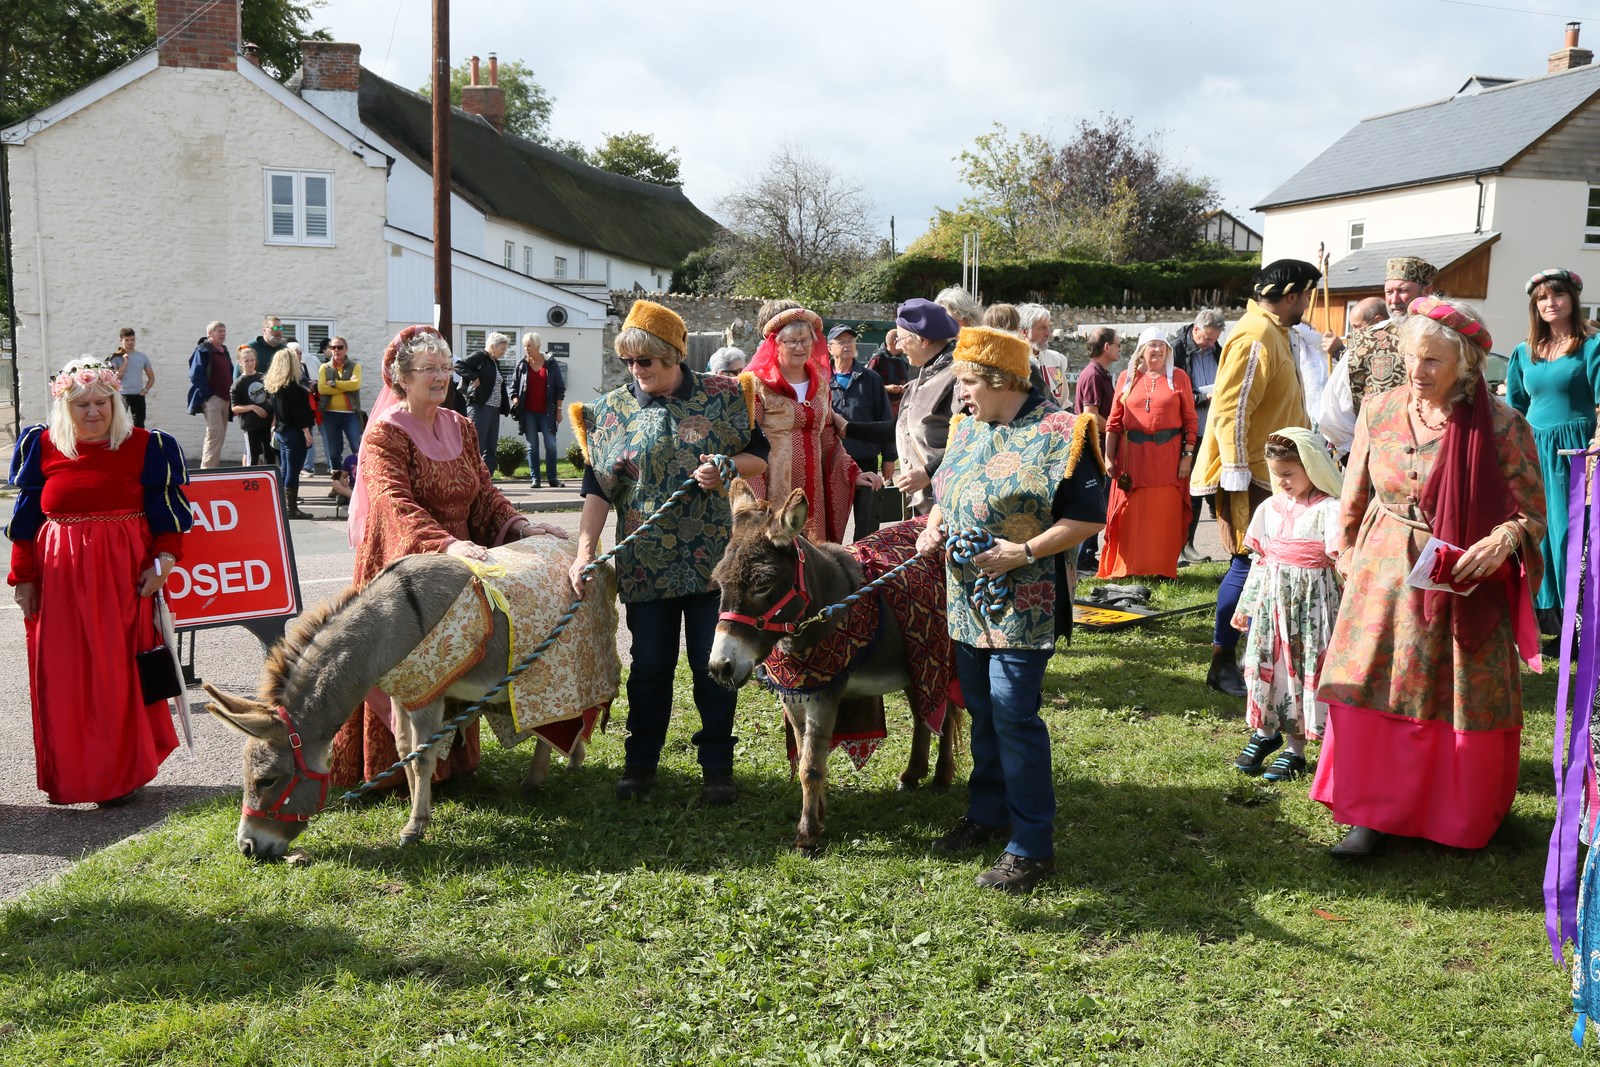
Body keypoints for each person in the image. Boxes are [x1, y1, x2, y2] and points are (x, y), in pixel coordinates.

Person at [1312, 298, 1544, 857]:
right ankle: (1369, 814)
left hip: (1464, 577)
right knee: (1375, 679)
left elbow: (1532, 513)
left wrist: (1502, 540)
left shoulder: (1505, 425)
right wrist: (1344, 547)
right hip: (1386, 569)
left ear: (1465, 363)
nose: (1418, 371)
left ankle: (1455, 815)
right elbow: (1356, 488)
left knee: (1451, 690)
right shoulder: (1379, 408)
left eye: (1434, 361)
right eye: (1412, 356)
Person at [335, 326, 567, 791]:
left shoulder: (460, 424)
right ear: (402, 377)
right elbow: (395, 504)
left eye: (445, 367)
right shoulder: (383, 435)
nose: (441, 376)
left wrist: (521, 525)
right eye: (429, 369)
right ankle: (396, 771)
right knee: (409, 665)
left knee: (461, 656)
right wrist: (446, 545)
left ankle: (450, 761)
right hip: (404, 565)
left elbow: (483, 495)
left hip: (461, 566)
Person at [915, 326, 1106, 892]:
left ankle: (1031, 847)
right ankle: (987, 811)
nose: (961, 394)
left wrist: (1022, 551)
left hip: (1026, 602)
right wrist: (933, 525)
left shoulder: (1064, 433)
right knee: (980, 709)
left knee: (1014, 715)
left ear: (1001, 380)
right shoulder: (968, 427)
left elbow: (1090, 518)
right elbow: (947, 492)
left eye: (968, 382)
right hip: (966, 598)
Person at [568, 300, 769, 805]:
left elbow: (758, 455)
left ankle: (718, 768)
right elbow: (597, 487)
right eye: (630, 363)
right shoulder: (611, 410)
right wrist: (584, 550)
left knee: (713, 665)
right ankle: (640, 765)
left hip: (713, 564)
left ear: (675, 355)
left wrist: (726, 466)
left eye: (648, 363)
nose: (638, 372)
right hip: (646, 564)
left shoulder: (726, 396)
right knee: (651, 665)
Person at [7, 356, 192, 806]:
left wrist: (163, 561)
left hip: (122, 579)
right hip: (59, 583)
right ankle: (76, 774)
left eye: (102, 402)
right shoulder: (42, 445)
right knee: (64, 677)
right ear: (63, 408)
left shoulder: (147, 445)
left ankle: (120, 775)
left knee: (117, 675)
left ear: (116, 402)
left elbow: (168, 518)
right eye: (82, 404)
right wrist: (24, 576)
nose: (93, 412)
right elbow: (26, 518)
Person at [1191, 259, 1320, 698]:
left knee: (1261, 566)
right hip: (1250, 474)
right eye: (1305, 295)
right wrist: (1235, 473)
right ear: (1290, 295)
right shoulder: (1256, 333)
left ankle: (1251, 657)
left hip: (1272, 471)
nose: (1307, 304)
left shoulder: (1276, 332)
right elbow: (1231, 409)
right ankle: (1220, 661)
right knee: (1247, 564)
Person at [1230, 429, 1344, 782]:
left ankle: (1296, 750)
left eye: (1289, 475)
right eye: (1276, 475)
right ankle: (1266, 732)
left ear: (1312, 467)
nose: (1282, 482)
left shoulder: (1331, 510)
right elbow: (1260, 560)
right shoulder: (1270, 507)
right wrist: (1247, 604)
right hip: (1271, 604)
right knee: (1267, 666)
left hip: (1312, 609)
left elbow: (1343, 564)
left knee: (1303, 669)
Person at [1505, 268, 1600, 634]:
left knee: (1567, 533)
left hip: (1574, 450)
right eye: (1542, 298)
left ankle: (1576, 622)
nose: (1550, 303)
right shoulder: (1523, 352)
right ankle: (1544, 617)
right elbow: (1514, 408)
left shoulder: (1591, 346)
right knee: (1537, 532)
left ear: (1572, 300)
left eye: (1557, 295)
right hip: (1532, 449)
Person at [743, 309, 870, 543]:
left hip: (814, 490)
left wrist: (853, 473)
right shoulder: (758, 386)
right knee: (777, 549)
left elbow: (828, 437)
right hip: (774, 486)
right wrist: (756, 498)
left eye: (806, 341)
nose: (800, 348)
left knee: (813, 551)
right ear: (776, 344)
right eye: (792, 341)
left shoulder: (821, 385)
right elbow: (748, 442)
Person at [1099, 327, 1197, 579]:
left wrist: (1187, 456)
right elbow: (1114, 422)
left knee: (1163, 514)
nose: (1157, 350)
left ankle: (1161, 568)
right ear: (1141, 351)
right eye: (1152, 345)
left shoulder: (1179, 377)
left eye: (1161, 346)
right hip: (1132, 460)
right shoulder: (1125, 378)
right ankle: (1129, 568)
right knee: (1131, 514)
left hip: (1168, 458)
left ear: (1168, 351)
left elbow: (1190, 421)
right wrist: (1109, 457)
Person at [1317, 257, 1436, 454]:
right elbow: (1333, 413)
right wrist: (1357, 452)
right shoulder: (1365, 341)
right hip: (1378, 462)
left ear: (1427, 291)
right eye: (1389, 292)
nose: (1394, 300)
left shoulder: (1448, 338)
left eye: (1403, 290)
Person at [891, 299, 963, 516]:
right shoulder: (921, 377)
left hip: (948, 509)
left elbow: (972, 439)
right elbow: (900, 427)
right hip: (922, 510)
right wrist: (847, 427)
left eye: (901, 339)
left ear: (922, 340)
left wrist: (928, 472)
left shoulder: (958, 377)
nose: (898, 346)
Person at [827, 323, 896, 540]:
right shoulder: (820, 380)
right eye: (841, 341)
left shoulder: (871, 379)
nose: (847, 345)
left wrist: (889, 457)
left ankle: (865, 567)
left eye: (850, 340)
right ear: (830, 348)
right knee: (832, 522)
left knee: (867, 524)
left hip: (866, 459)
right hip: (832, 462)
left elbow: (885, 419)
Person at [1171, 309, 1225, 562]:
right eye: (1207, 339)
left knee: (1202, 489)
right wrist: (1204, 397)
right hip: (1184, 432)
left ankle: (1188, 544)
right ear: (1195, 330)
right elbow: (1172, 394)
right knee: (1186, 491)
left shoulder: (1218, 351)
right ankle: (1179, 546)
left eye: (1214, 339)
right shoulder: (1176, 352)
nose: (1211, 344)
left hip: (1211, 432)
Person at [1074, 327, 1121, 571]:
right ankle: (1083, 558)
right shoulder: (1093, 375)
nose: (1119, 349)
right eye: (1117, 345)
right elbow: (1090, 415)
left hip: (1098, 448)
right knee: (1094, 504)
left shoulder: (1100, 374)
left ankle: (1087, 555)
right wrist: (1118, 428)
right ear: (1106, 347)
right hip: (1094, 450)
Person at [264, 342, 316, 520]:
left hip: (282, 431)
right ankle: (291, 508)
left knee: (285, 469)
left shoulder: (275, 387)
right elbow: (299, 413)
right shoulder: (293, 388)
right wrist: (307, 432)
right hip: (294, 432)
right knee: (292, 470)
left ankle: (283, 505)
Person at [509, 331, 566, 488]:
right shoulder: (522, 365)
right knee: (532, 446)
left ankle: (552, 478)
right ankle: (536, 479)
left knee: (551, 446)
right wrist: (515, 399)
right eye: (525, 346)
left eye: (530, 346)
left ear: (538, 346)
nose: (527, 349)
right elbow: (513, 387)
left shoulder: (551, 364)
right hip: (528, 413)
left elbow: (560, 388)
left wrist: (559, 411)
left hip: (547, 412)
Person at [456, 332, 511, 473]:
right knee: (477, 445)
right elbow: (459, 365)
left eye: (505, 349)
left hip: (494, 409)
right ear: (493, 346)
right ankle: (472, 480)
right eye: (502, 348)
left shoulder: (495, 363)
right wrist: (474, 377)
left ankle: (487, 482)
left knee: (491, 447)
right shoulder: (480, 356)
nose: (504, 352)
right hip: (480, 406)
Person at [186, 320, 232, 468]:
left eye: (224, 331)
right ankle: (207, 471)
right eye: (219, 331)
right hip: (213, 399)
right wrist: (208, 395)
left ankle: (212, 469)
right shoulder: (203, 350)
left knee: (220, 435)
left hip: (225, 399)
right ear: (210, 334)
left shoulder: (224, 350)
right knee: (214, 434)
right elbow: (195, 375)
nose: (223, 334)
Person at [316, 335, 363, 473]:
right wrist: (345, 386)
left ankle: (360, 481)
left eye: (340, 347)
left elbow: (355, 385)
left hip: (350, 415)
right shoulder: (325, 368)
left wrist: (334, 384)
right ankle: (336, 484)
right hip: (330, 414)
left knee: (357, 447)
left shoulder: (355, 366)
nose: (336, 350)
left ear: (346, 349)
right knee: (334, 452)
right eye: (333, 347)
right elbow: (322, 389)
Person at [231, 343, 275, 466]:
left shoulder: (263, 378)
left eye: (252, 360)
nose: (250, 364)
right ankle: (251, 480)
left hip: (266, 422)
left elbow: (271, 398)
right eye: (246, 361)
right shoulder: (238, 384)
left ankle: (270, 480)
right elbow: (235, 407)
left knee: (270, 454)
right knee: (252, 457)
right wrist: (252, 407)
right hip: (250, 425)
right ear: (240, 362)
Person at [1019, 303, 1070, 410]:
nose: (1048, 333)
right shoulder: (1016, 362)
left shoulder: (1057, 359)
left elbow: (1064, 402)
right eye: (1042, 328)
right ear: (1025, 331)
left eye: (1048, 327)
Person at [108, 327, 155, 429]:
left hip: (138, 395)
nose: (130, 342)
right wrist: (125, 362)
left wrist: (145, 390)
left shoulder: (142, 357)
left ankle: (139, 444)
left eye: (132, 339)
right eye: (127, 340)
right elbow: (116, 377)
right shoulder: (115, 357)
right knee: (118, 424)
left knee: (139, 424)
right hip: (121, 395)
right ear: (121, 340)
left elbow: (151, 378)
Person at [867, 328, 912, 419]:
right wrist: (887, 388)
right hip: (882, 406)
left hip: (901, 405)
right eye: (902, 340)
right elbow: (867, 384)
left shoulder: (902, 359)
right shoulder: (878, 359)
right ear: (895, 342)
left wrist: (904, 389)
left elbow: (904, 380)